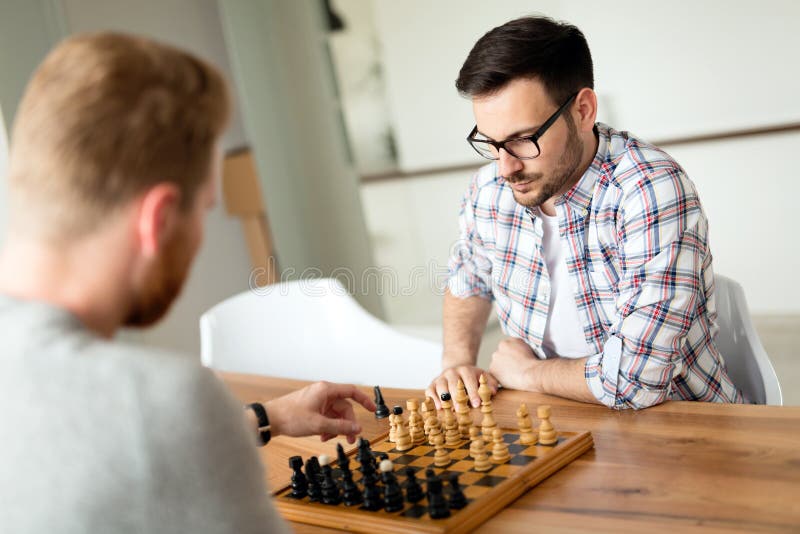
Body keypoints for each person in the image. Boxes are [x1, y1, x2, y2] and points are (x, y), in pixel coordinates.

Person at [0, 33, 374, 533]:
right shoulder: (158, 404)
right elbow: (143, 434)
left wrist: (267, 417)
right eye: (203, 210)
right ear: (157, 219)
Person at [426, 16, 743, 410]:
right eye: (490, 143)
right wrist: (456, 362)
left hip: (681, 428)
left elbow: (636, 380)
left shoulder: (650, 190)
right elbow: (469, 277)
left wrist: (528, 374)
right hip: (555, 419)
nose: (506, 167)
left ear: (583, 111)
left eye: (523, 140)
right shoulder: (489, 188)